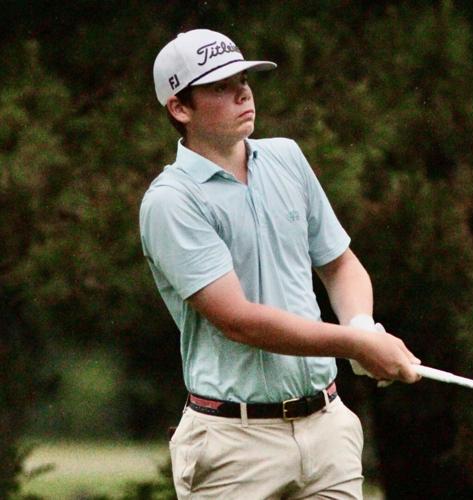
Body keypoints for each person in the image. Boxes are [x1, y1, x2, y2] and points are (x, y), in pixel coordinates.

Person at [140, 29, 420, 499]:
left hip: (326, 430)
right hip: (234, 446)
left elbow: (340, 265)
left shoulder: (287, 158)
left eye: (243, 79)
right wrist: (356, 345)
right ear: (179, 108)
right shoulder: (171, 201)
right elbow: (240, 321)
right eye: (219, 87)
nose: (242, 92)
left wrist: (364, 325)